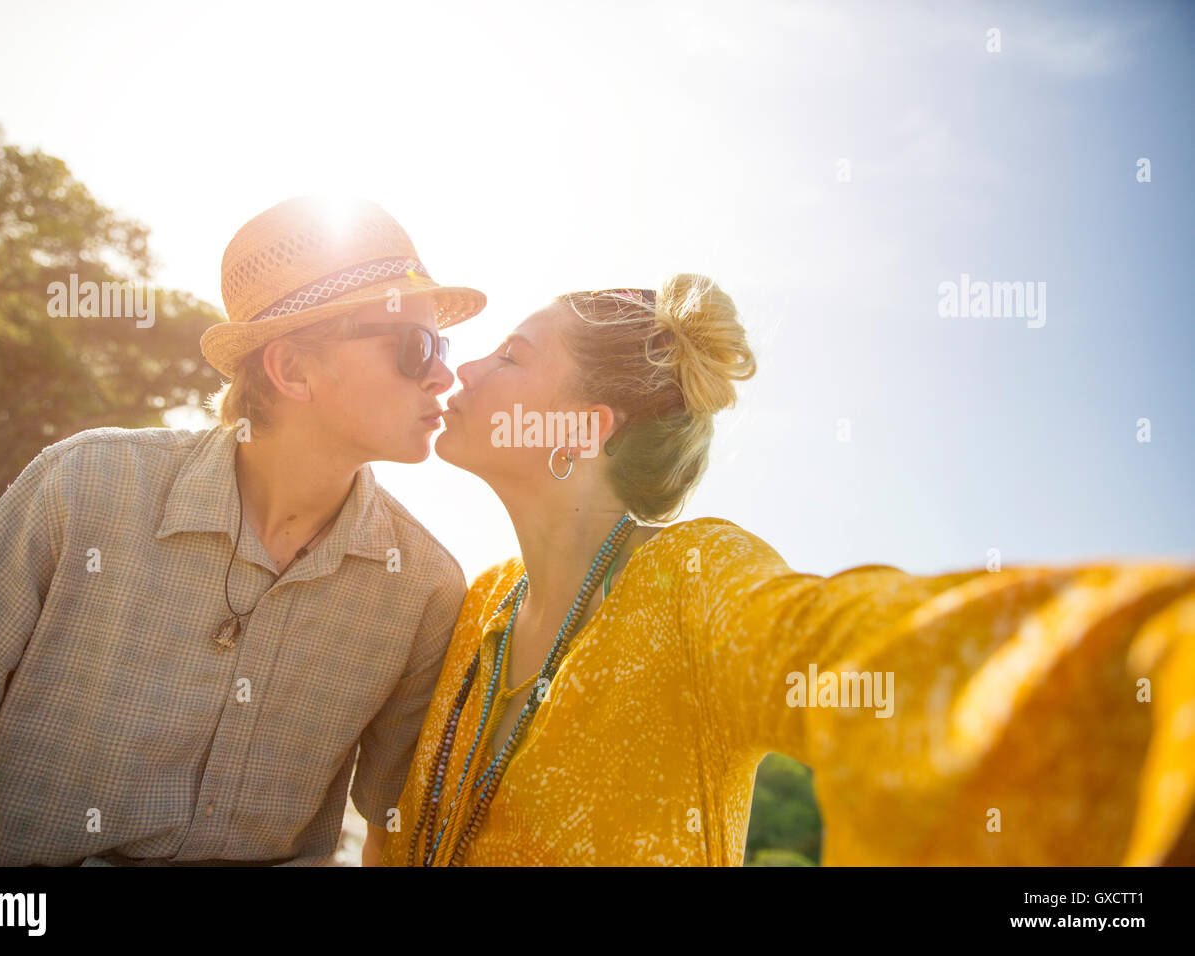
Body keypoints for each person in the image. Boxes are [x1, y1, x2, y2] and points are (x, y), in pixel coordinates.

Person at [380, 275, 1195, 866]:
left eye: (511, 357)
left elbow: (862, 651)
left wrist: (1149, 658)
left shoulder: (694, 579)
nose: (466, 371)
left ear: (579, 429)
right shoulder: (477, 602)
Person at [0, 196, 483, 866]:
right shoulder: (85, 486)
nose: (444, 372)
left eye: (444, 346)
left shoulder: (426, 590)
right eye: (416, 347)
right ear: (292, 370)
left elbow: (392, 831)